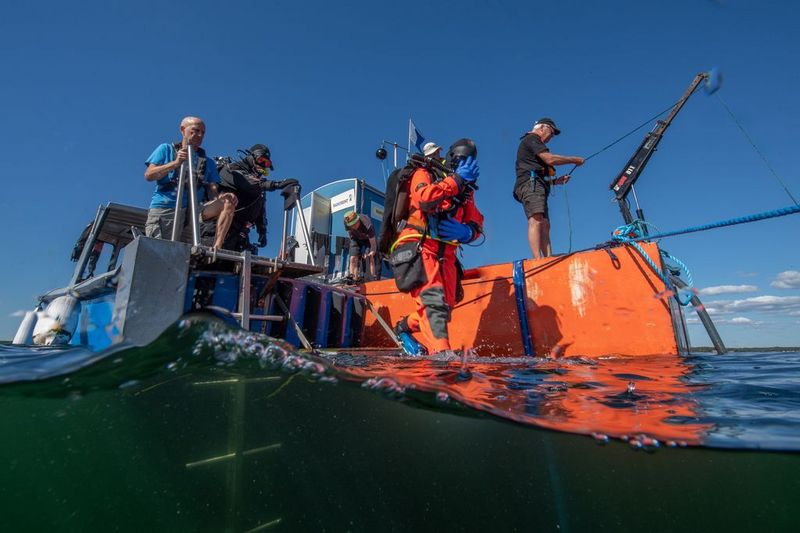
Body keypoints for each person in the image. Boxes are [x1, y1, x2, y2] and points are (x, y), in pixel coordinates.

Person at [392, 138, 484, 356]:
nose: (464, 164)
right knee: (433, 305)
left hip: (447, 256)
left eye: (469, 161)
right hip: (419, 246)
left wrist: (468, 232)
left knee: (446, 307)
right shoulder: (424, 173)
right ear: (451, 158)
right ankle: (442, 359)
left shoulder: (466, 193)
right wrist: (456, 181)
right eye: (461, 159)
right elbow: (424, 198)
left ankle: (403, 327)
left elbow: (477, 221)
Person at [143, 116, 238, 250]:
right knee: (159, 255)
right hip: (166, 211)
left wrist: (223, 197)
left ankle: (217, 248)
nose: (199, 135)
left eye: (202, 133)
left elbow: (213, 192)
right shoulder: (166, 149)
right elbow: (149, 175)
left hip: (193, 213)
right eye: (195, 131)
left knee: (227, 203)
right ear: (183, 130)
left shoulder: (207, 162)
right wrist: (175, 164)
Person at [513, 117, 584, 259]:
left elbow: (538, 173)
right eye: (551, 132)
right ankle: (537, 260)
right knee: (536, 219)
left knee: (545, 223)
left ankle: (548, 258)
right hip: (530, 184)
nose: (551, 136)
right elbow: (550, 159)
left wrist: (556, 181)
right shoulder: (532, 139)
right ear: (542, 128)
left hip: (536, 184)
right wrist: (573, 159)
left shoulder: (533, 142)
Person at [211, 144, 298, 252]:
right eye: (261, 160)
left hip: (240, 233)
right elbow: (247, 182)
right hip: (219, 228)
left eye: (266, 163)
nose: (263, 165)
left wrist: (262, 230)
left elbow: (260, 208)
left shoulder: (259, 186)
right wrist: (276, 184)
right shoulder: (232, 169)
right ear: (251, 157)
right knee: (217, 261)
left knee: (242, 263)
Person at [343, 211, 377, 280]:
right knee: (353, 258)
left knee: (370, 258)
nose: (353, 227)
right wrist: (356, 251)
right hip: (355, 238)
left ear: (358, 220)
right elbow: (350, 234)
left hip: (368, 240)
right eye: (351, 225)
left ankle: (372, 279)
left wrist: (371, 252)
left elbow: (373, 244)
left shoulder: (367, 224)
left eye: (355, 224)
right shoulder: (346, 222)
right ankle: (353, 279)